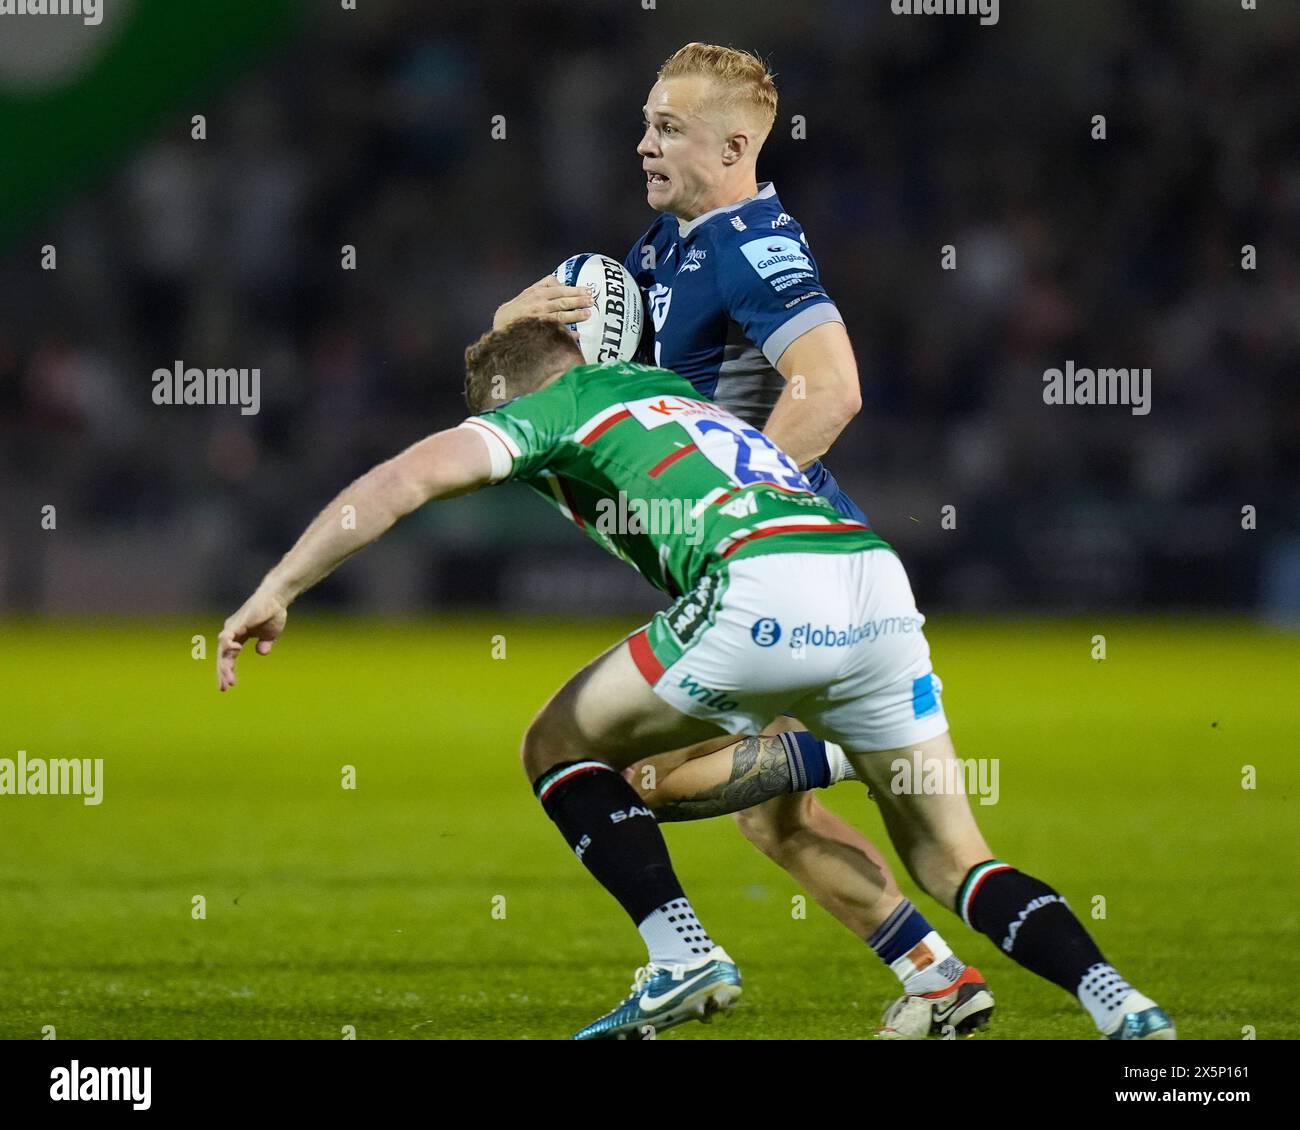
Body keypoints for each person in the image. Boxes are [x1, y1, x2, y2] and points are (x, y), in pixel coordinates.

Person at [491, 42, 992, 1037]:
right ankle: (938, 978)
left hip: (783, 575)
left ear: (732, 144)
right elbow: (592, 391)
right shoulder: (663, 249)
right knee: (772, 820)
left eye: (666, 128)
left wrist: (733, 507)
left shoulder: (750, 246)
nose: (642, 143)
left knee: (628, 775)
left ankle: (833, 751)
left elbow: (833, 386)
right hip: (783, 575)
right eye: (644, 122)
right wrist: (511, 324)